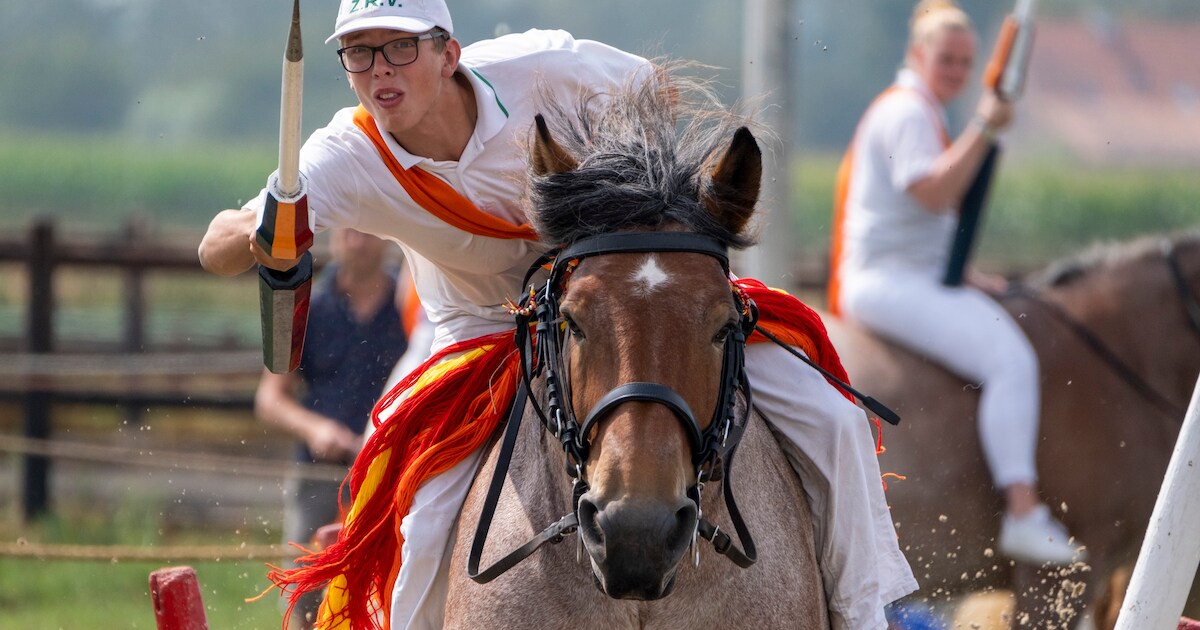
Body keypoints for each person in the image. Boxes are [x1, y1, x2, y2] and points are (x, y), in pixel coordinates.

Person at [199, 1, 917, 627]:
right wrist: (271, 225)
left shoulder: (544, 67)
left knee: (835, 418)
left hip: (617, 295)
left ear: (448, 54)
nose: (380, 68)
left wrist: (606, 195)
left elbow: (655, 90)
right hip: (479, 328)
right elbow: (215, 247)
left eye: (400, 47)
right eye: (359, 53)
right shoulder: (340, 156)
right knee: (420, 514)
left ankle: (861, 615)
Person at [827, 0, 1085, 567]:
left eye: (966, 62)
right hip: (884, 282)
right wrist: (985, 126)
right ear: (918, 54)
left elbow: (921, 224)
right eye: (946, 59)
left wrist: (967, 276)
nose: (957, 71)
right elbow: (935, 193)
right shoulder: (907, 111)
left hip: (907, 272)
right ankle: (1022, 511)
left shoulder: (921, 110)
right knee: (1010, 361)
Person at [254, 228, 409, 629]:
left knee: (396, 590)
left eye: (366, 230)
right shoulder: (306, 306)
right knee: (305, 596)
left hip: (394, 473)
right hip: (319, 475)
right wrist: (315, 429)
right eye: (347, 230)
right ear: (334, 236)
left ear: (385, 235)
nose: (356, 240)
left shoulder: (411, 306)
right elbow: (270, 398)